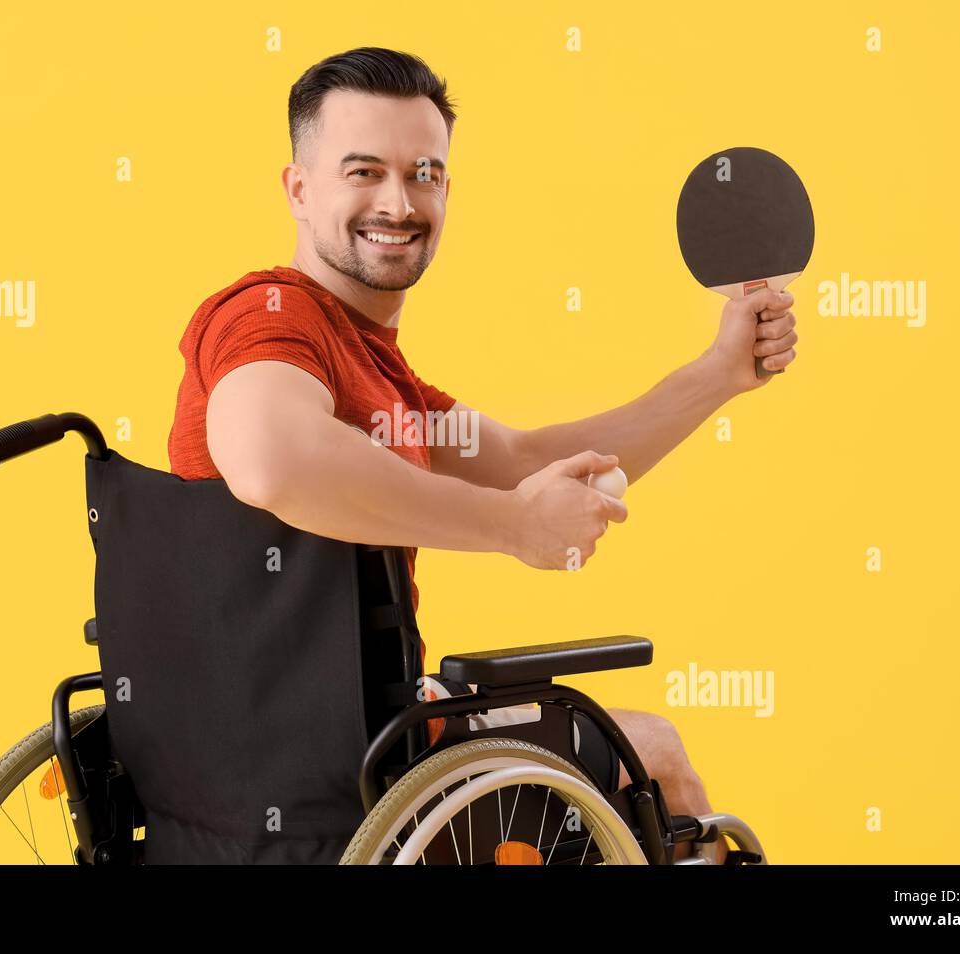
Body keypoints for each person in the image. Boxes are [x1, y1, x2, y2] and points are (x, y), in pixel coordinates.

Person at [167, 47, 798, 863]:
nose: (397, 202)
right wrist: (512, 527)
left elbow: (527, 457)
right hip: (333, 762)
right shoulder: (270, 317)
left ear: (445, 190)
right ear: (299, 188)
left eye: (422, 174)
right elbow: (270, 457)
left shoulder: (375, 369)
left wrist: (715, 376)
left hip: (248, 746)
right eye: (363, 172)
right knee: (658, 759)